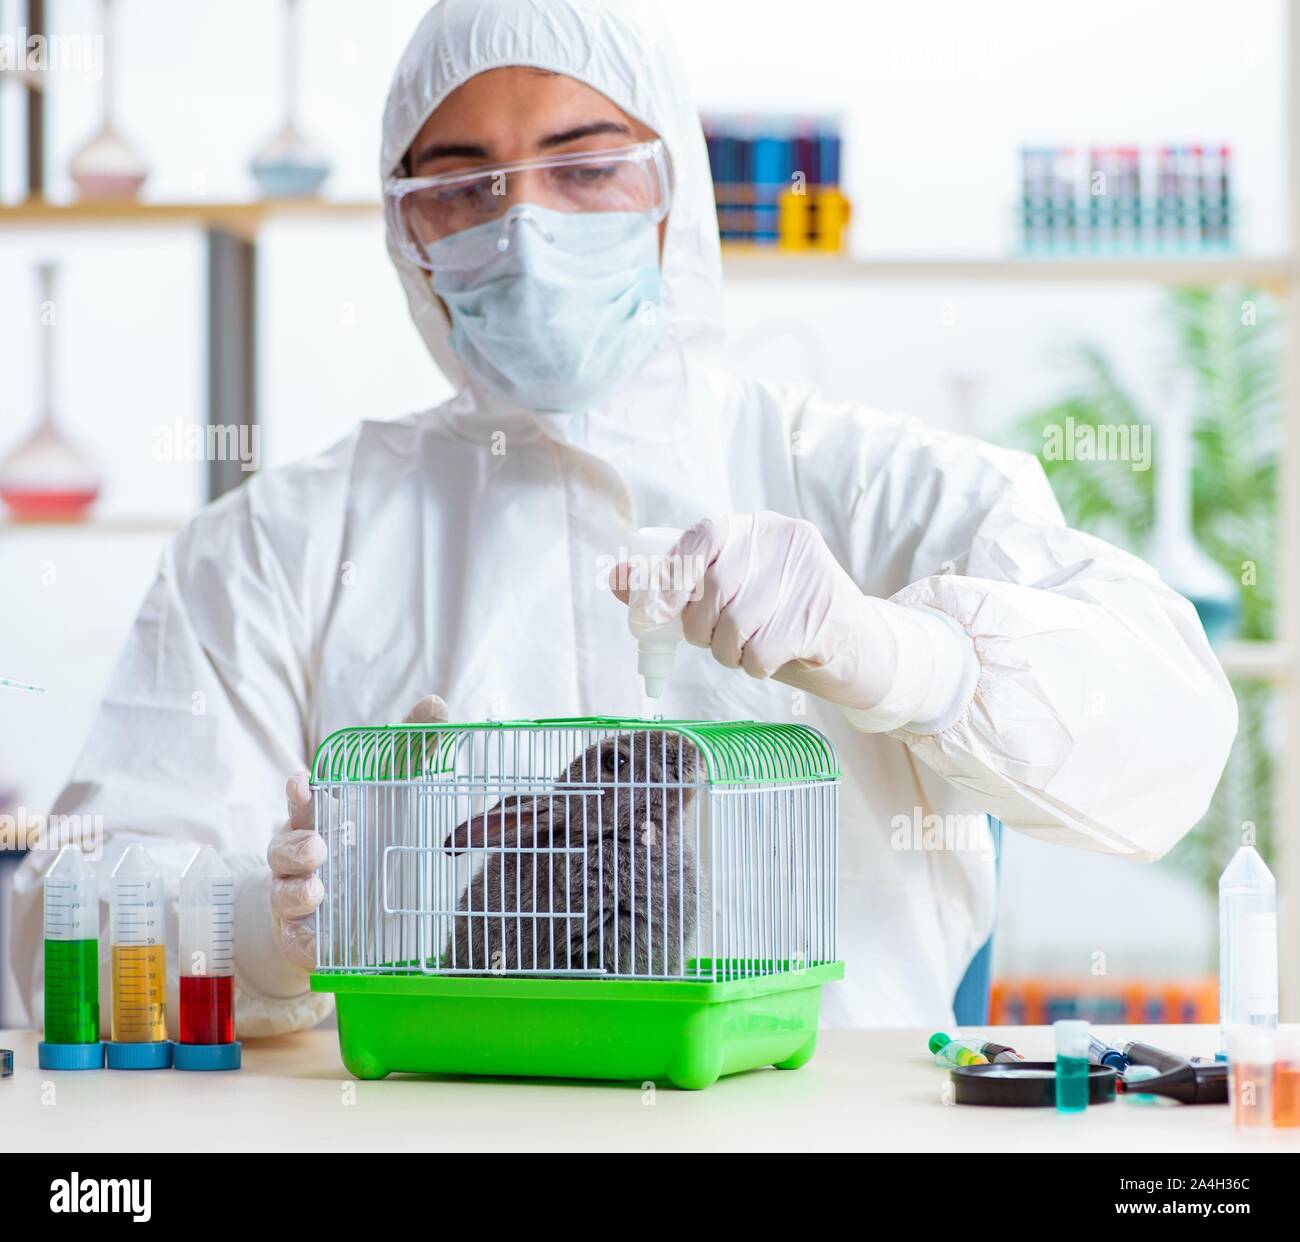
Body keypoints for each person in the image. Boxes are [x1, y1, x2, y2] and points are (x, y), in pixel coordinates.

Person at [12, 0, 1236, 1032]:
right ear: (405, 231)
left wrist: (904, 654)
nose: (527, 229)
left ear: (672, 191)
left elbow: (1172, 743)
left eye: (586, 166)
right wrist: (262, 934)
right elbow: (50, 931)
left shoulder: (870, 481)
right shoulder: (276, 543)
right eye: (462, 188)